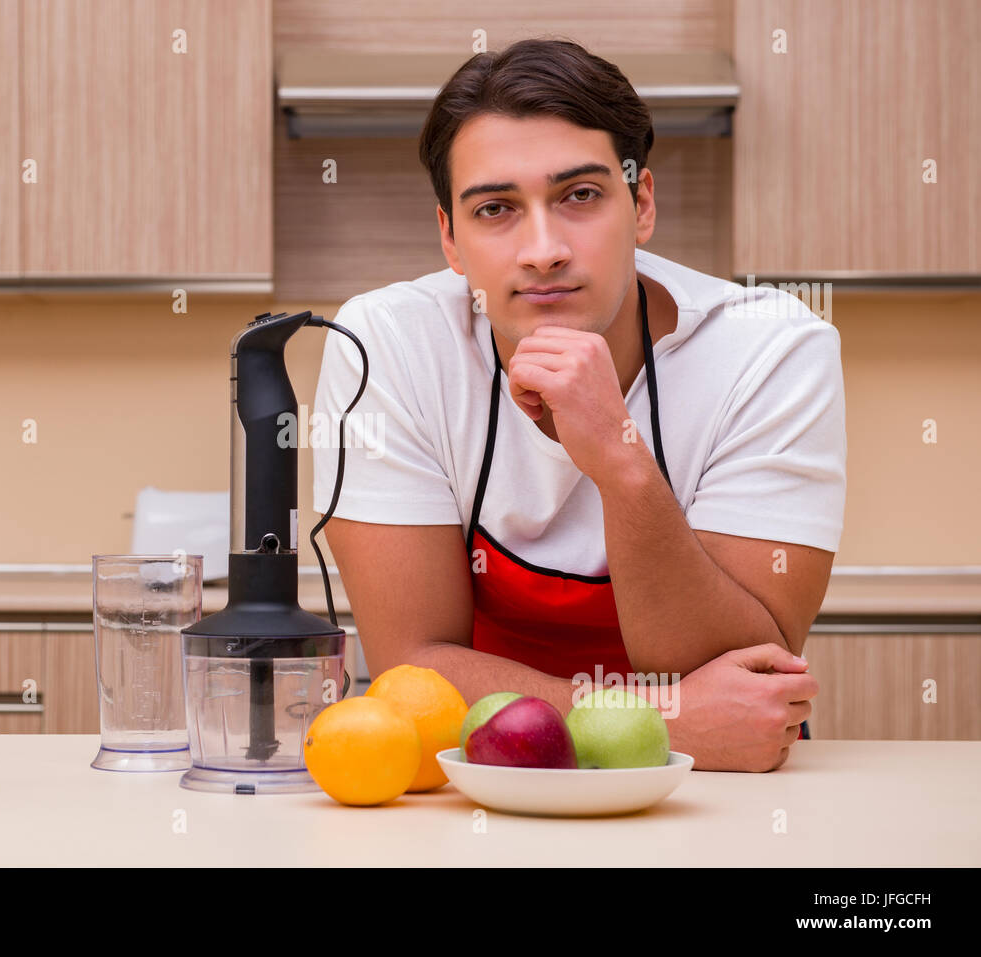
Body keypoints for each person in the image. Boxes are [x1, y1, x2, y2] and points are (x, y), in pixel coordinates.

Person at [311, 38, 845, 773]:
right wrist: (669, 720)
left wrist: (621, 460)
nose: (543, 249)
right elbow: (415, 666)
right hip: (489, 774)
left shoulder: (773, 350)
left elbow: (749, 677)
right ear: (451, 241)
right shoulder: (387, 343)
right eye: (495, 208)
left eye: (581, 196)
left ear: (642, 204)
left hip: (728, 790)